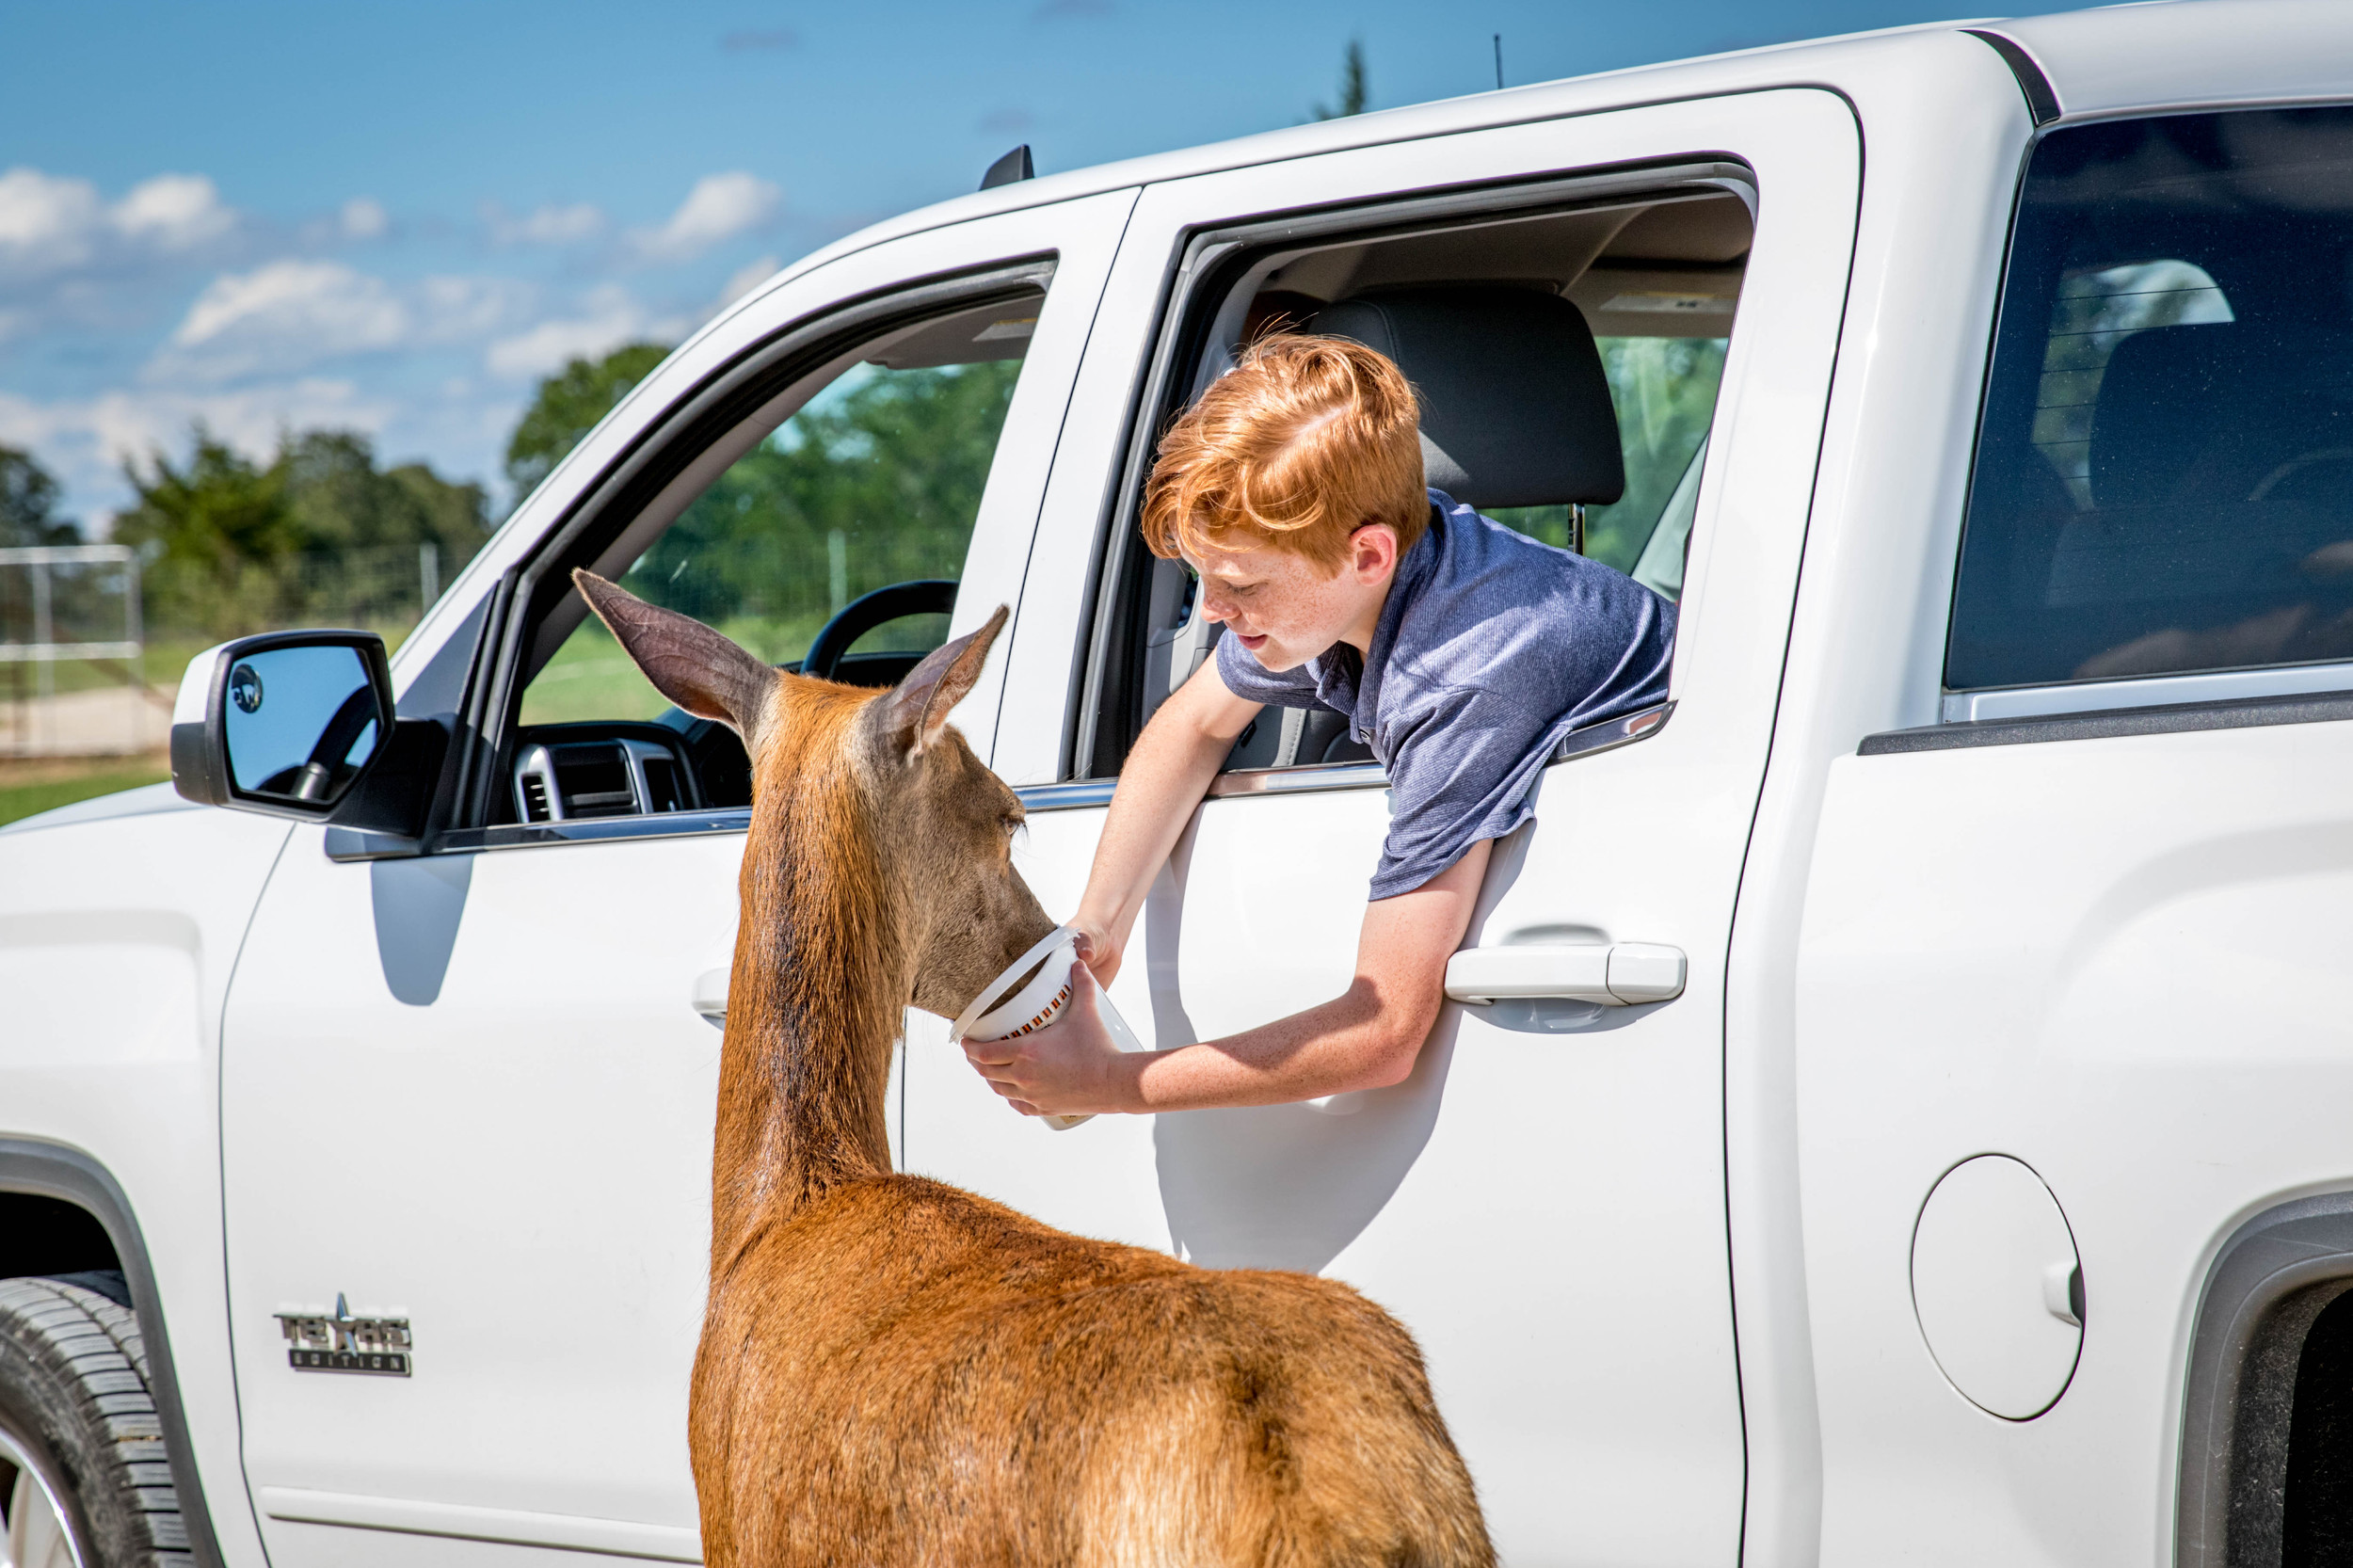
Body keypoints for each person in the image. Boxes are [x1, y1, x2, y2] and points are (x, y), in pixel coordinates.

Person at [963, 333, 1674, 1117]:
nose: (1211, 610)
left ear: (1367, 555)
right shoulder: (1371, 573)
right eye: (1202, 576)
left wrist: (1110, 1083)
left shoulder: (1465, 673)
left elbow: (1384, 1032)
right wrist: (1101, 925)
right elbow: (1195, 725)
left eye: (1238, 583)